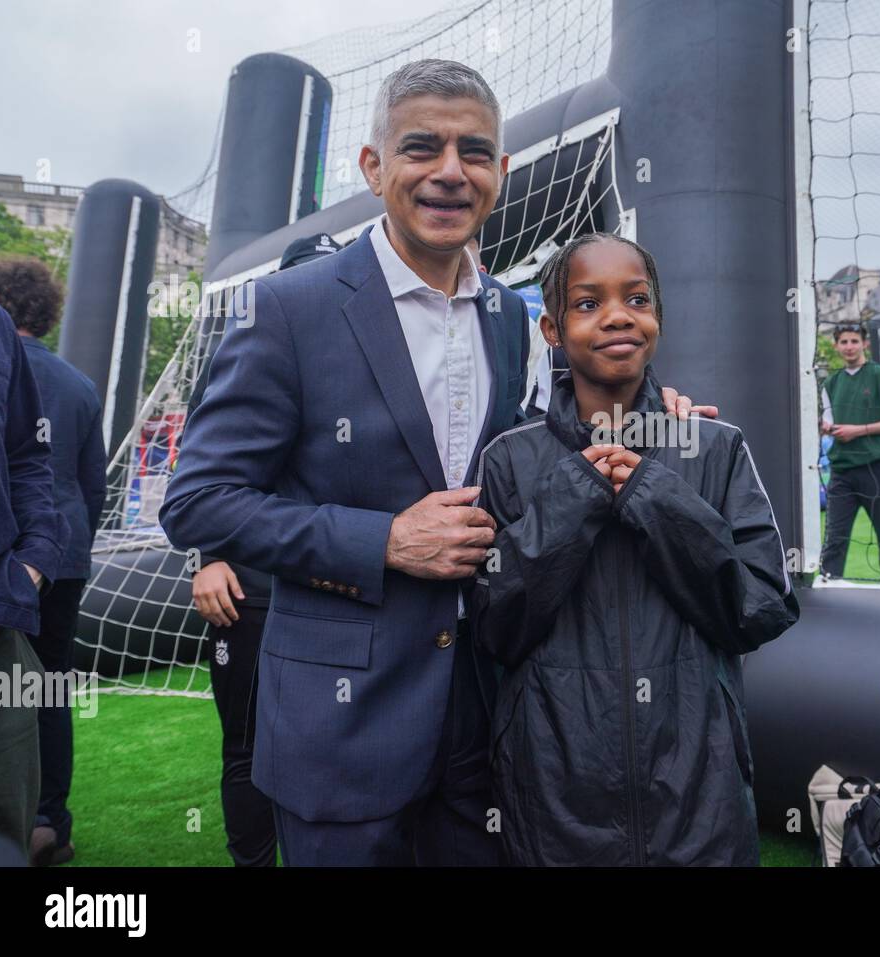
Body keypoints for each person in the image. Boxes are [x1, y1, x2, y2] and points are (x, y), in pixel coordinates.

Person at [160, 59, 712, 866]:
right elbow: (198, 501)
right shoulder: (288, 309)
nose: (451, 172)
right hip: (342, 728)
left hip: (487, 717)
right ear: (374, 166)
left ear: (501, 171)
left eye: (475, 151)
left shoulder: (506, 316)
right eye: (423, 147)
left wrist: (652, 413)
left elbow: (537, 441)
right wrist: (382, 541)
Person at [470, 233, 799, 865]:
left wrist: (655, 496)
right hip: (554, 787)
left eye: (637, 298)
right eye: (588, 303)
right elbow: (494, 627)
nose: (618, 315)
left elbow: (759, 608)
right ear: (551, 329)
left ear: (658, 318)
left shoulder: (715, 446)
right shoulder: (510, 458)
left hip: (699, 789)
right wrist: (573, 499)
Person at [184, 233, 340, 868]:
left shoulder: (371, 358)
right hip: (249, 591)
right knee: (247, 746)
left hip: (338, 586)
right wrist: (207, 558)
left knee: (338, 741)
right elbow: (198, 483)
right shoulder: (244, 355)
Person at [0, 257, 106, 867]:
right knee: (50, 687)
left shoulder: (8, 366)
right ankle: (48, 824)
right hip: (61, 558)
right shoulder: (78, 383)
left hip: (11, 556)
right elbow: (94, 488)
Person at [0, 303, 66, 862]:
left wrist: (33, 561)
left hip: (3, 614)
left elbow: (28, 456)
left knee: (7, 830)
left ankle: (50, 823)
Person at [818, 324, 880, 582]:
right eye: (844, 341)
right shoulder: (831, 382)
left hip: (877, 468)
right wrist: (826, 427)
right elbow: (830, 419)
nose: (849, 346)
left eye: (854, 341)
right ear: (836, 345)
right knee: (834, 536)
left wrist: (858, 431)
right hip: (842, 470)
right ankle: (828, 584)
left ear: (864, 344)